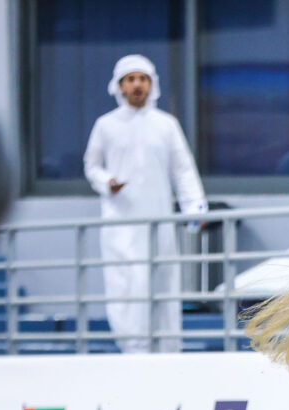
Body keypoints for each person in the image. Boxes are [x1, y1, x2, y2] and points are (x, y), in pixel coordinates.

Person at [84, 54, 206, 353]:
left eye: (143, 78)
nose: (137, 85)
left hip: (160, 224)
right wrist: (107, 181)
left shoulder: (166, 124)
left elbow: (183, 169)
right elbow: (91, 166)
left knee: (164, 285)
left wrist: (195, 206)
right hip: (120, 226)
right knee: (127, 288)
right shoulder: (105, 125)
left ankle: (168, 352)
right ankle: (132, 350)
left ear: (152, 84)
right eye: (130, 79)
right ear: (120, 86)